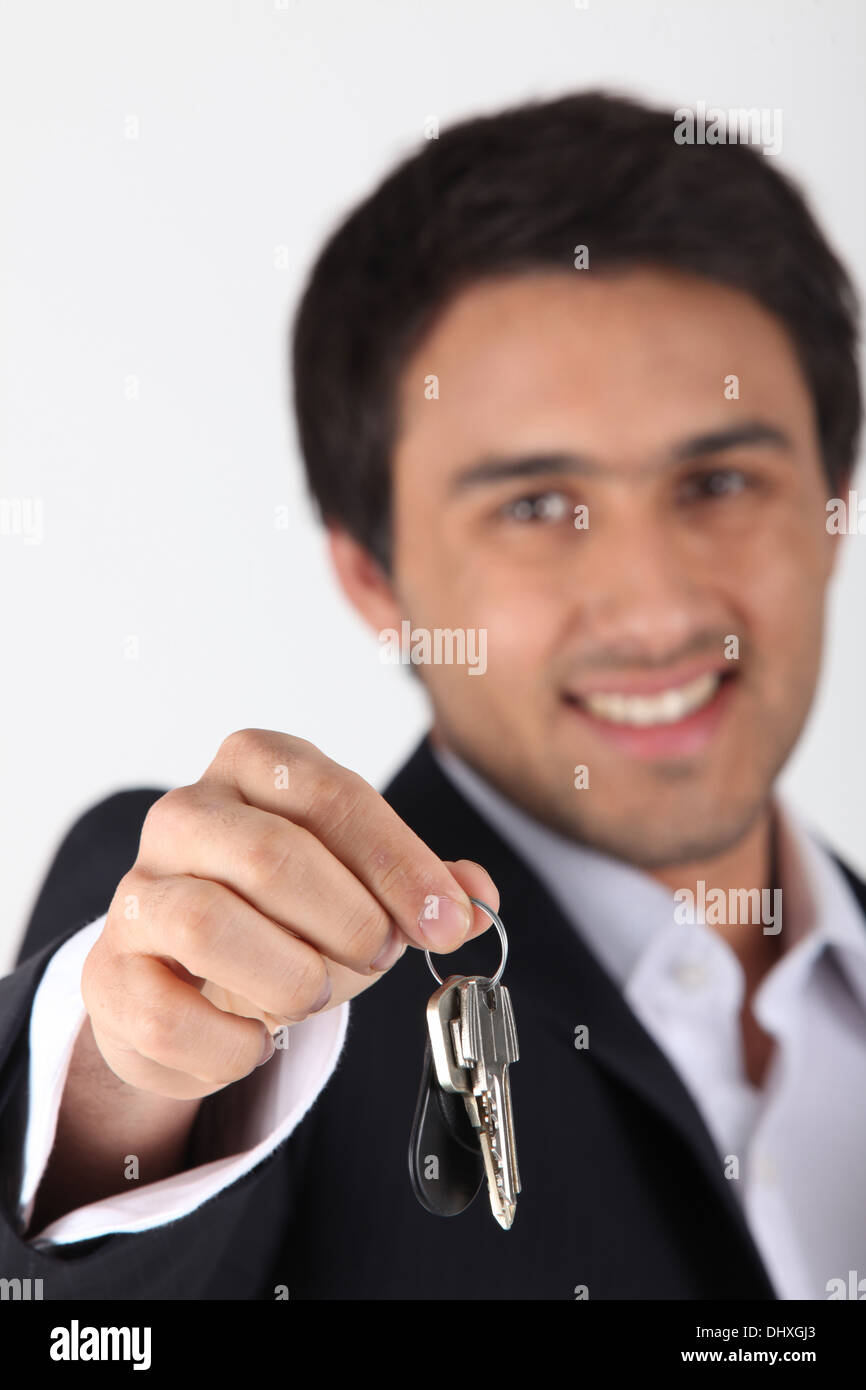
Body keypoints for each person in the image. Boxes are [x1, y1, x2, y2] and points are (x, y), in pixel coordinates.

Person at [1, 89, 864, 1301]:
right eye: (531, 507)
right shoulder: (249, 965)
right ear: (372, 572)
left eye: (718, 480)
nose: (655, 606)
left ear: (831, 500)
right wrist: (119, 1094)